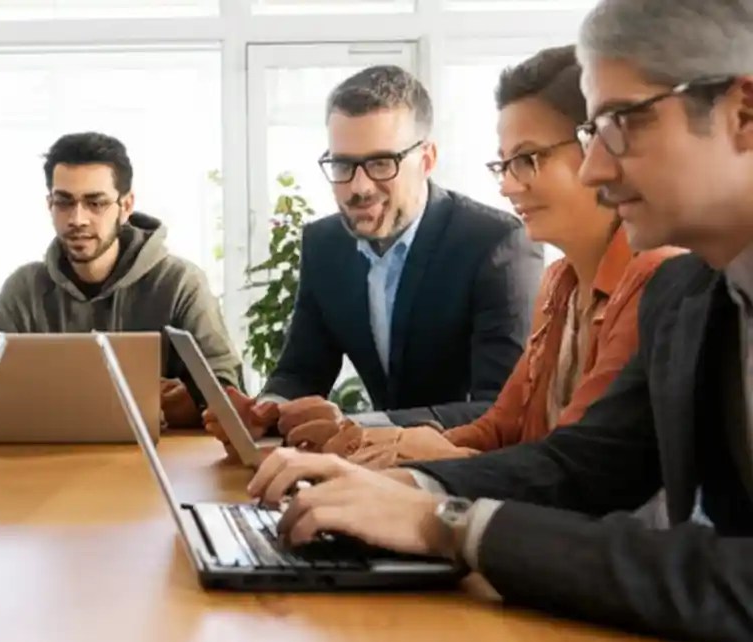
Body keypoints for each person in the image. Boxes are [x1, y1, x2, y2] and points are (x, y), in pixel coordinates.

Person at [248, 0, 753, 642]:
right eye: (593, 133)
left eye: (624, 124)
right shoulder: (690, 294)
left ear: (743, 113)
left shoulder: (656, 280)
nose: (595, 169)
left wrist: (450, 524)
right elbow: (584, 464)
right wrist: (398, 490)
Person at [288, 47, 681, 468]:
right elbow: (499, 427)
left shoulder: (655, 279)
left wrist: (418, 464)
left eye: (527, 160)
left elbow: (573, 466)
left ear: (599, 150)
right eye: (505, 164)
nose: (507, 186)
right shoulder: (559, 284)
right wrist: (387, 446)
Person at [204, 65, 544, 459]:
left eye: (382, 163)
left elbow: (499, 410)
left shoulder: (496, 243)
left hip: (467, 469)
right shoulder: (324, 244)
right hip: (373, 469)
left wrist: (359, 427)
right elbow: (300, 371)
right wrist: (266, 412)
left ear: (427, 159)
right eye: (343, 165)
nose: (359, 187)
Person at [0, 132, 242, 429]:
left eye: (95, 203)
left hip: (159, 452)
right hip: (48, 451)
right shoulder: (23, 291)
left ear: (126, 205)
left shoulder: (179, 283)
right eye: (64, 202)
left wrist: (194, 402)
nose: (77, 219)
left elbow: (229, 392)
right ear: (49, 205)